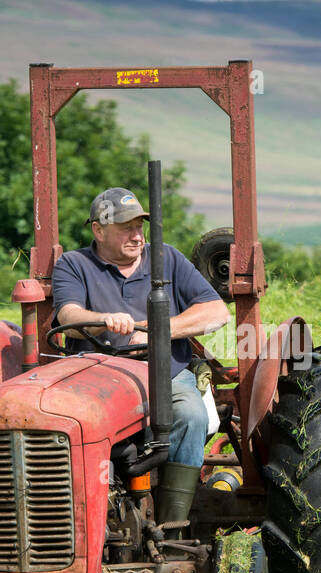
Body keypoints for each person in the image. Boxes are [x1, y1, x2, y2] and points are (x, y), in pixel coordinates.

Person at [50, 187, 230, 522]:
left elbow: (216, 311)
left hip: (165, 374)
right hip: (96, 378)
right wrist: (103, 321)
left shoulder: (168, 259)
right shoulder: (74, 264)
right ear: (98, 230)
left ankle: (172, 524)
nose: (137, 236)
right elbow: (68, 317)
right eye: (125, 228)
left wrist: (157, 328)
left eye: (139, 226)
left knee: (191, 415)